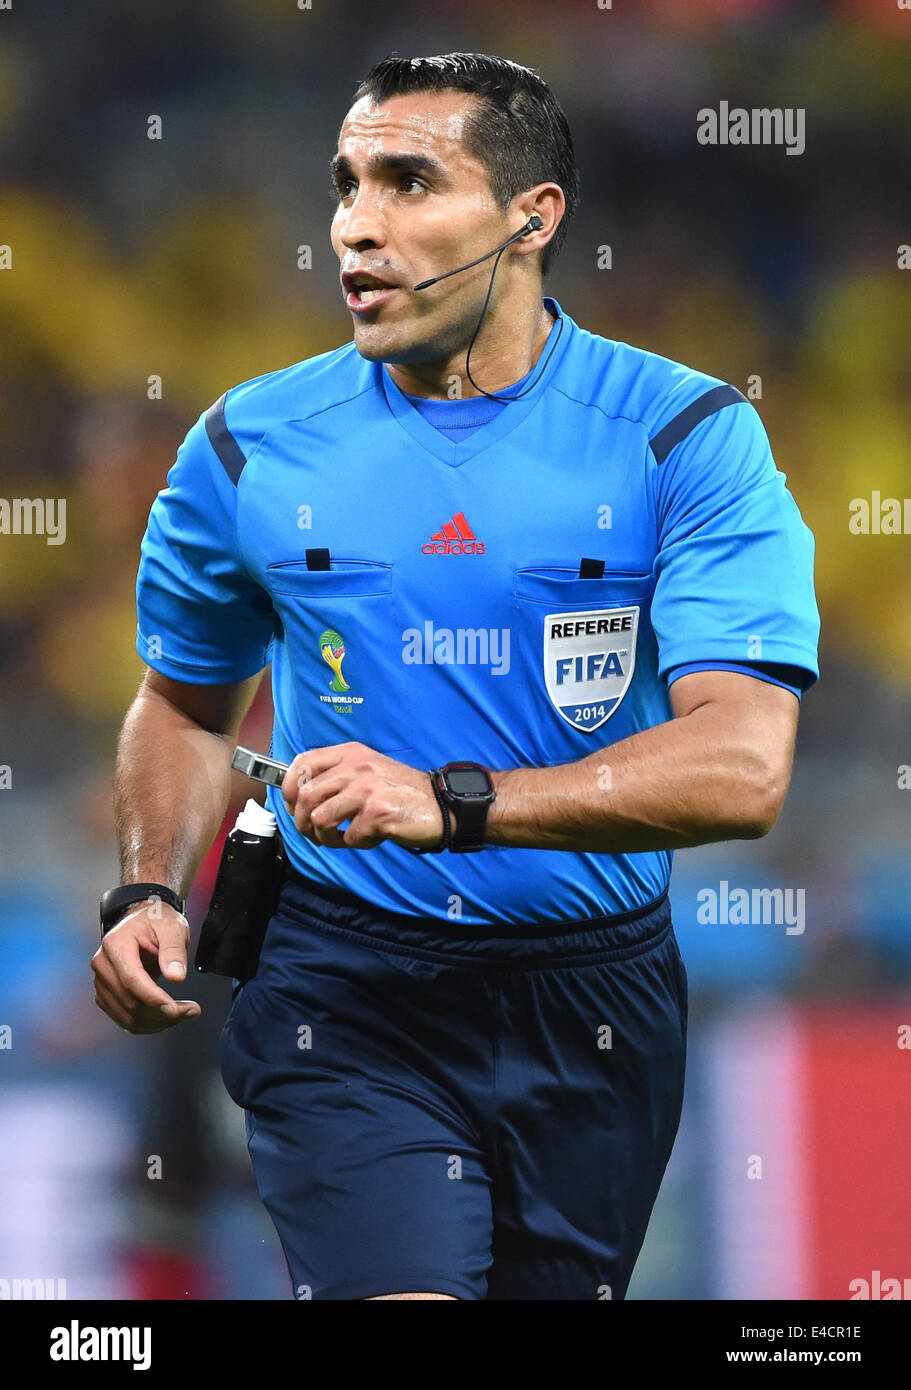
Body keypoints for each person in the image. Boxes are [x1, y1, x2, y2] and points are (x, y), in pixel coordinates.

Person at [93, 52, 820, 1301]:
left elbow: (743, 765)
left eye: (409, 180)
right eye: (346, 183)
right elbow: (181, 705)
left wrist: (454, 800)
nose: (355, 224)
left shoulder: (682, 435)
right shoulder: (246, 443)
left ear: (531, 218)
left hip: (592, 997)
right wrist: (147, 886)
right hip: (343, 982)